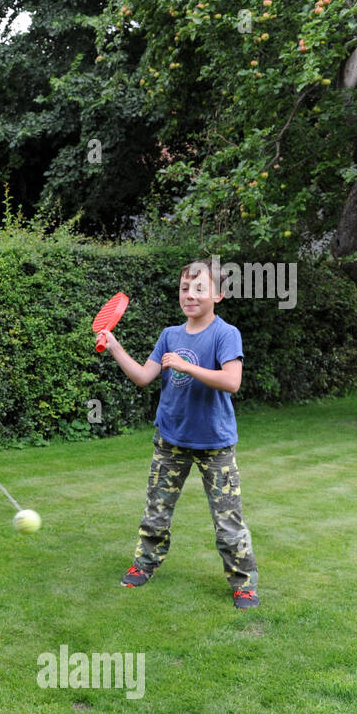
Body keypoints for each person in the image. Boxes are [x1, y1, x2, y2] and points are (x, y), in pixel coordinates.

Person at [96, 258, 260, 609]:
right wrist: (114, 346)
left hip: (215, 443)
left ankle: (243, 584)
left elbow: (232, 381)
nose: (190, 295)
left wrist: (187, 366)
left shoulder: (225, 334)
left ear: (218, 294)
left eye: (199, 288)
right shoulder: (169, 335)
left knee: (228, 521)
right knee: (156, 511)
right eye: (185, 288)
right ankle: (144, 565)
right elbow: (143, 376)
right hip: (170, 439)